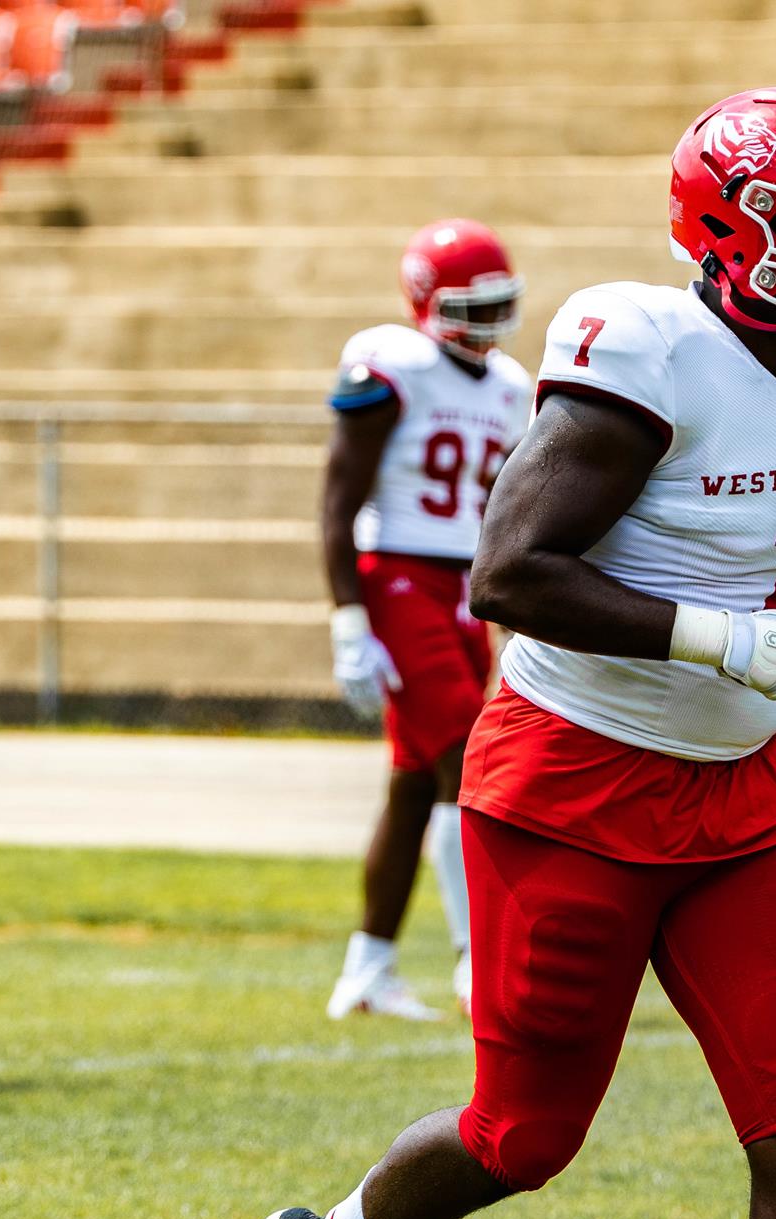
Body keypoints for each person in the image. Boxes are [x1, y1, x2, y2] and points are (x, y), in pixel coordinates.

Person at [233, 88, 776, 1219]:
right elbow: (510, 572)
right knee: (521, 1138)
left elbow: (755, 586)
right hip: (576, 779)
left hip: (749, 798)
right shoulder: (643, 344)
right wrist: (719, 648)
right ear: (725, 226)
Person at [322, 219, 531, 1022]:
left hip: (465, 586)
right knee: (466, 761)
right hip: (399, 575)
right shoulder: (392, 364)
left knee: (414, 786)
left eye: (498, 307)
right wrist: (348, 616)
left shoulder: (510, 384)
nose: (488, 326)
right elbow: (338, 503)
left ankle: (368, 967)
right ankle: (479, 960)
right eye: (471, 308)